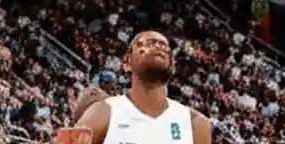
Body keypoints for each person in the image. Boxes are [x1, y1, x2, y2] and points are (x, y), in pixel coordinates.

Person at [57, 31, 213, 144]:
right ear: (126, 62)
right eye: (146, 44)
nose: (157, 46)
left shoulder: (196, 124)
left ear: (172, 66)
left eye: (164, 46)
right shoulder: (104, 112)